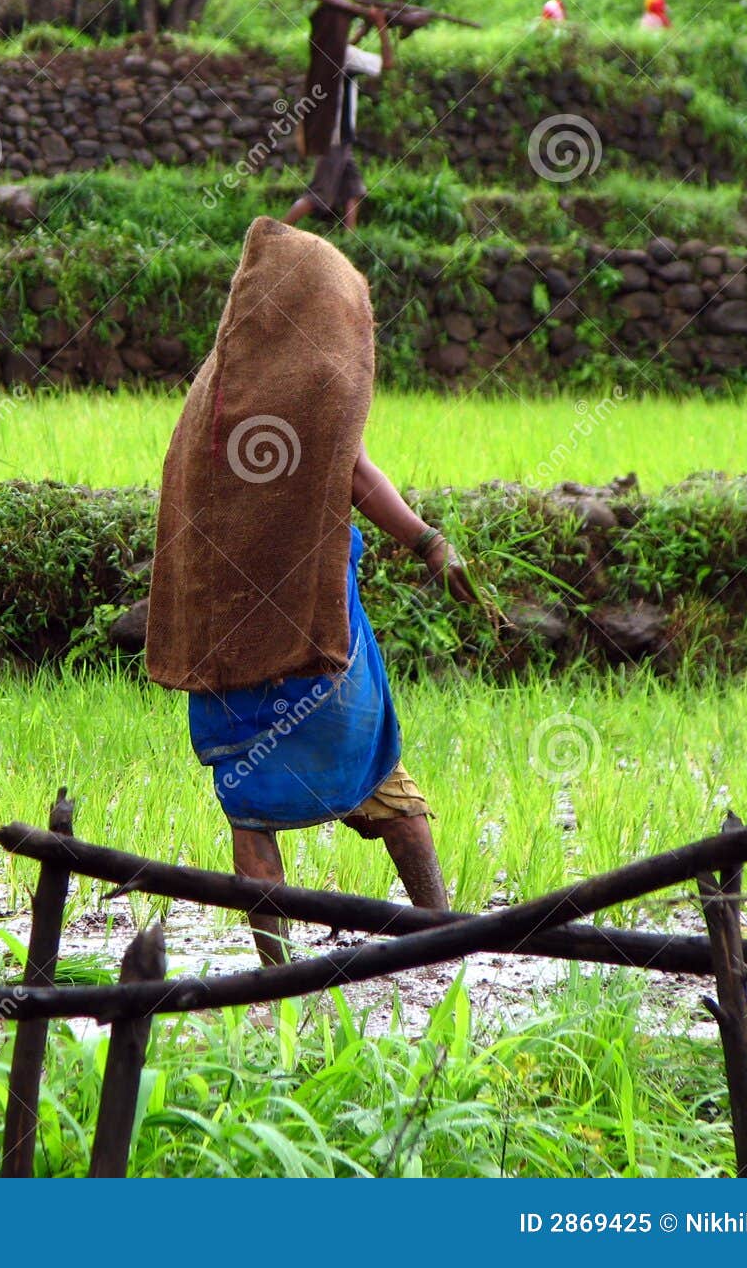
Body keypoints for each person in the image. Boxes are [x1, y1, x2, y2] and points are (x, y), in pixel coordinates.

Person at [145, 218, 488, 968]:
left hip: (227, 649)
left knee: (249, 796)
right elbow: (358, 476)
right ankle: (442, 935)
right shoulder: (314, 387)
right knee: (381, 775)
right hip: (310, 640)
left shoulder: (211, 392)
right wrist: (429, 542)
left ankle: (278, 974)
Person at [284, 6, 390, 233]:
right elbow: (387, 64)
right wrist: (381, 26)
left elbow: (346, 48)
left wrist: (365, 30)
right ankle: (276, 232)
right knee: (317, 194)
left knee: (352, 187)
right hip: (337, 134)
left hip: (330, 131)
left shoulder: (325, 50)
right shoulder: (348, 56)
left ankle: (350, 236)